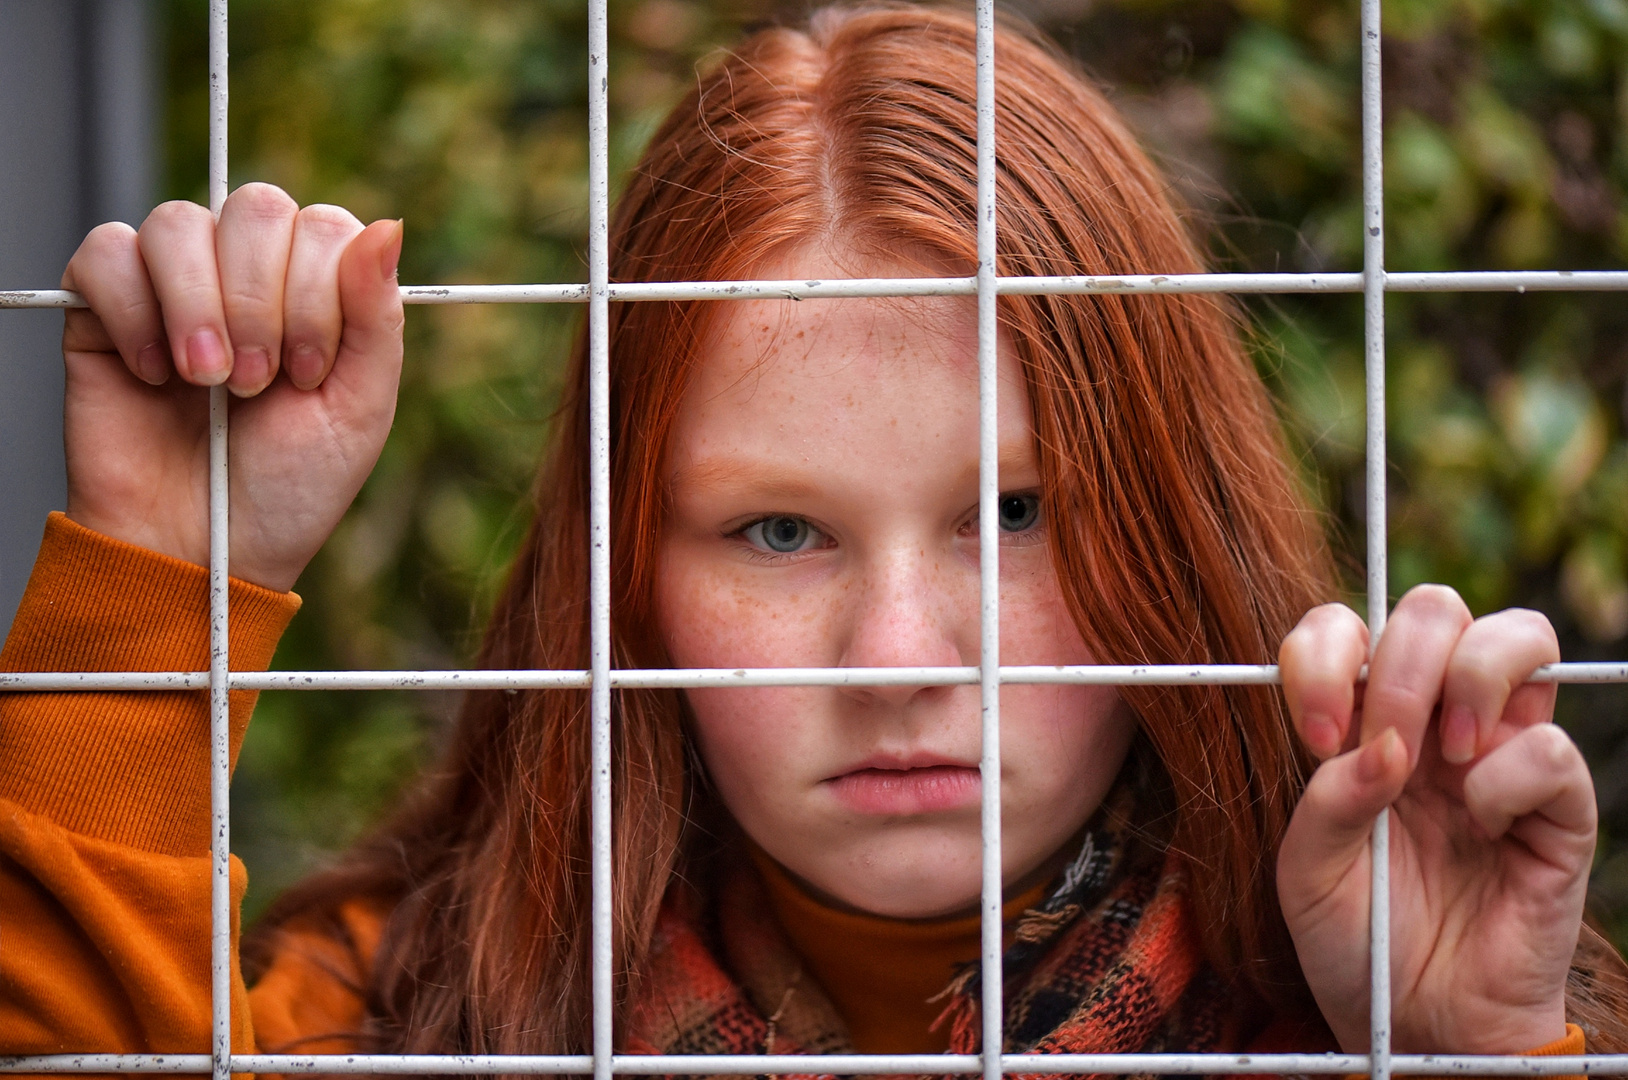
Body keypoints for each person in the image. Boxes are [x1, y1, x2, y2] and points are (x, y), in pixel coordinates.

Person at [3, 2, 1625, 1064]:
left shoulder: (1375, 987)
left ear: (1169, 515)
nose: (898, 660)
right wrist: (162, 579)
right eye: (778, 531)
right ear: (629, 580)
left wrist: (1469, 1060)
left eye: (1013, 513)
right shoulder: (402, 1021)